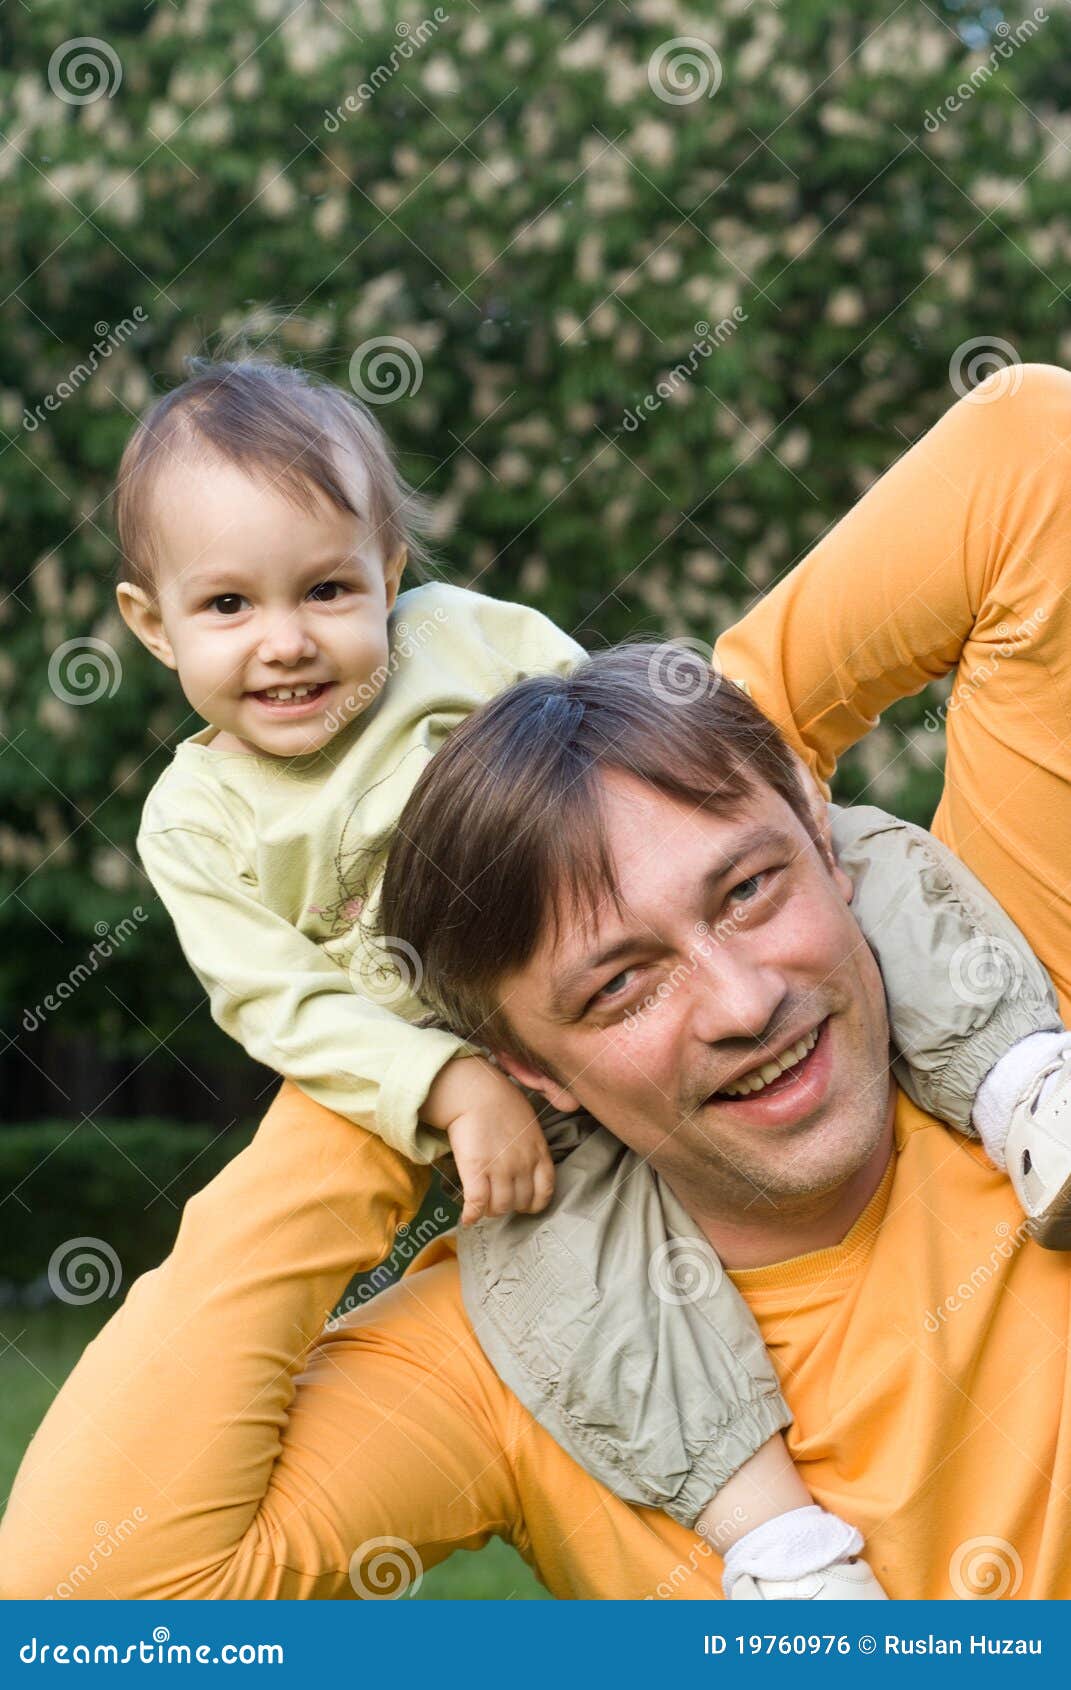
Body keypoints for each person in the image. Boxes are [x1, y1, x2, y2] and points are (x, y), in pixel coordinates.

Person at [4, 361, 1067, 1601]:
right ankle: (778, 1544)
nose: (744, 1004)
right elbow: (75, 1609)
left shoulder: (1016, 955)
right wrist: (427, 1077)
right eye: (617, 987)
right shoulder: (528, 1340)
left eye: (749, 891)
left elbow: (1030, 455)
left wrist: (717, 761)